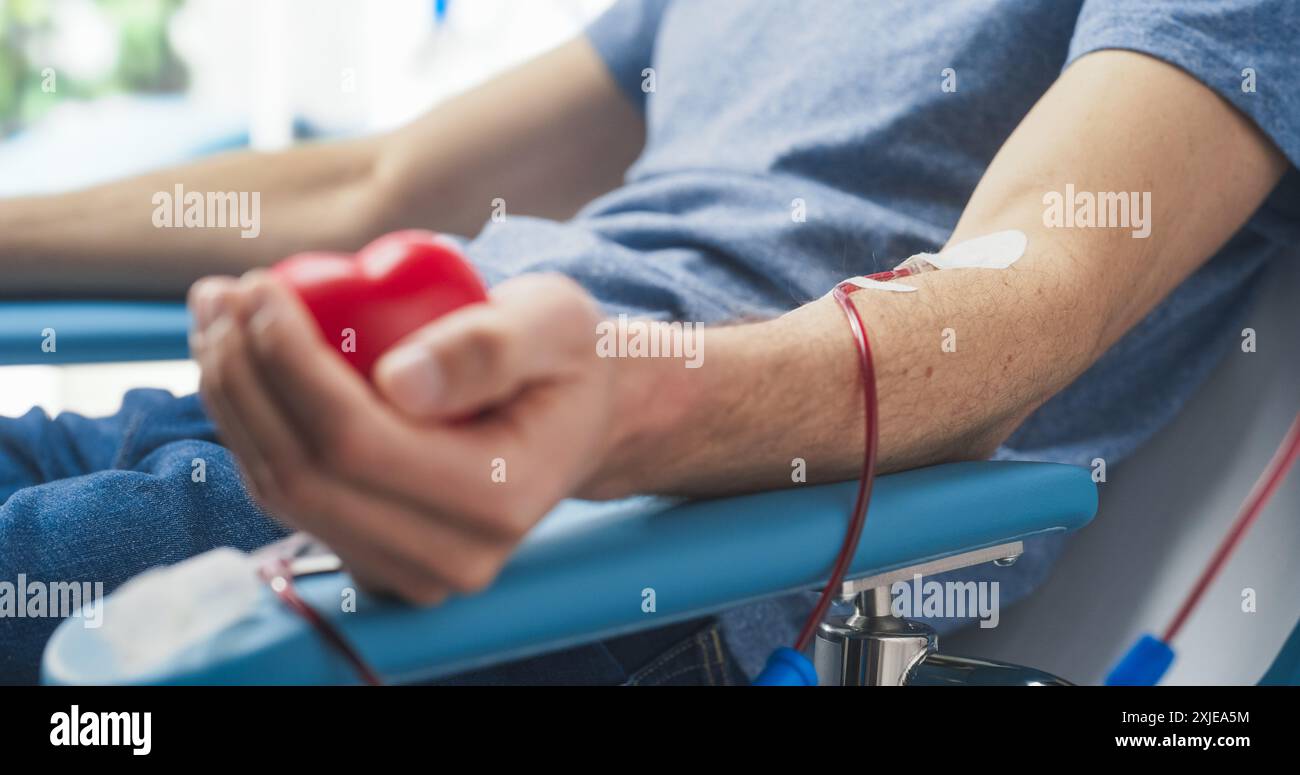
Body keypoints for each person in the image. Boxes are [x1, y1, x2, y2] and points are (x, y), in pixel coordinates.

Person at [1, 0, 1296, 685]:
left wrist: (619, 421)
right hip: (264, 426)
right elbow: (384, 188)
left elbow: (1034, 293)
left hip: (598, 548)